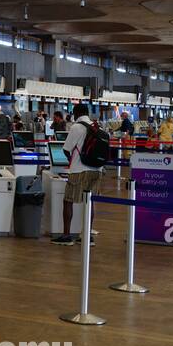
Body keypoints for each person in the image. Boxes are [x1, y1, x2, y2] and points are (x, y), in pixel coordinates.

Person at [52, 103, 104, 245]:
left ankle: (67, 236)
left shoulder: (76, 127)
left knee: (68, 200)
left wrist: (71, 161)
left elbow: (66, 149)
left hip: (79, 170)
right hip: (97, 169)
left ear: (75, 113)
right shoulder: (98, 126)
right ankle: (87, 236)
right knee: (89, 202)